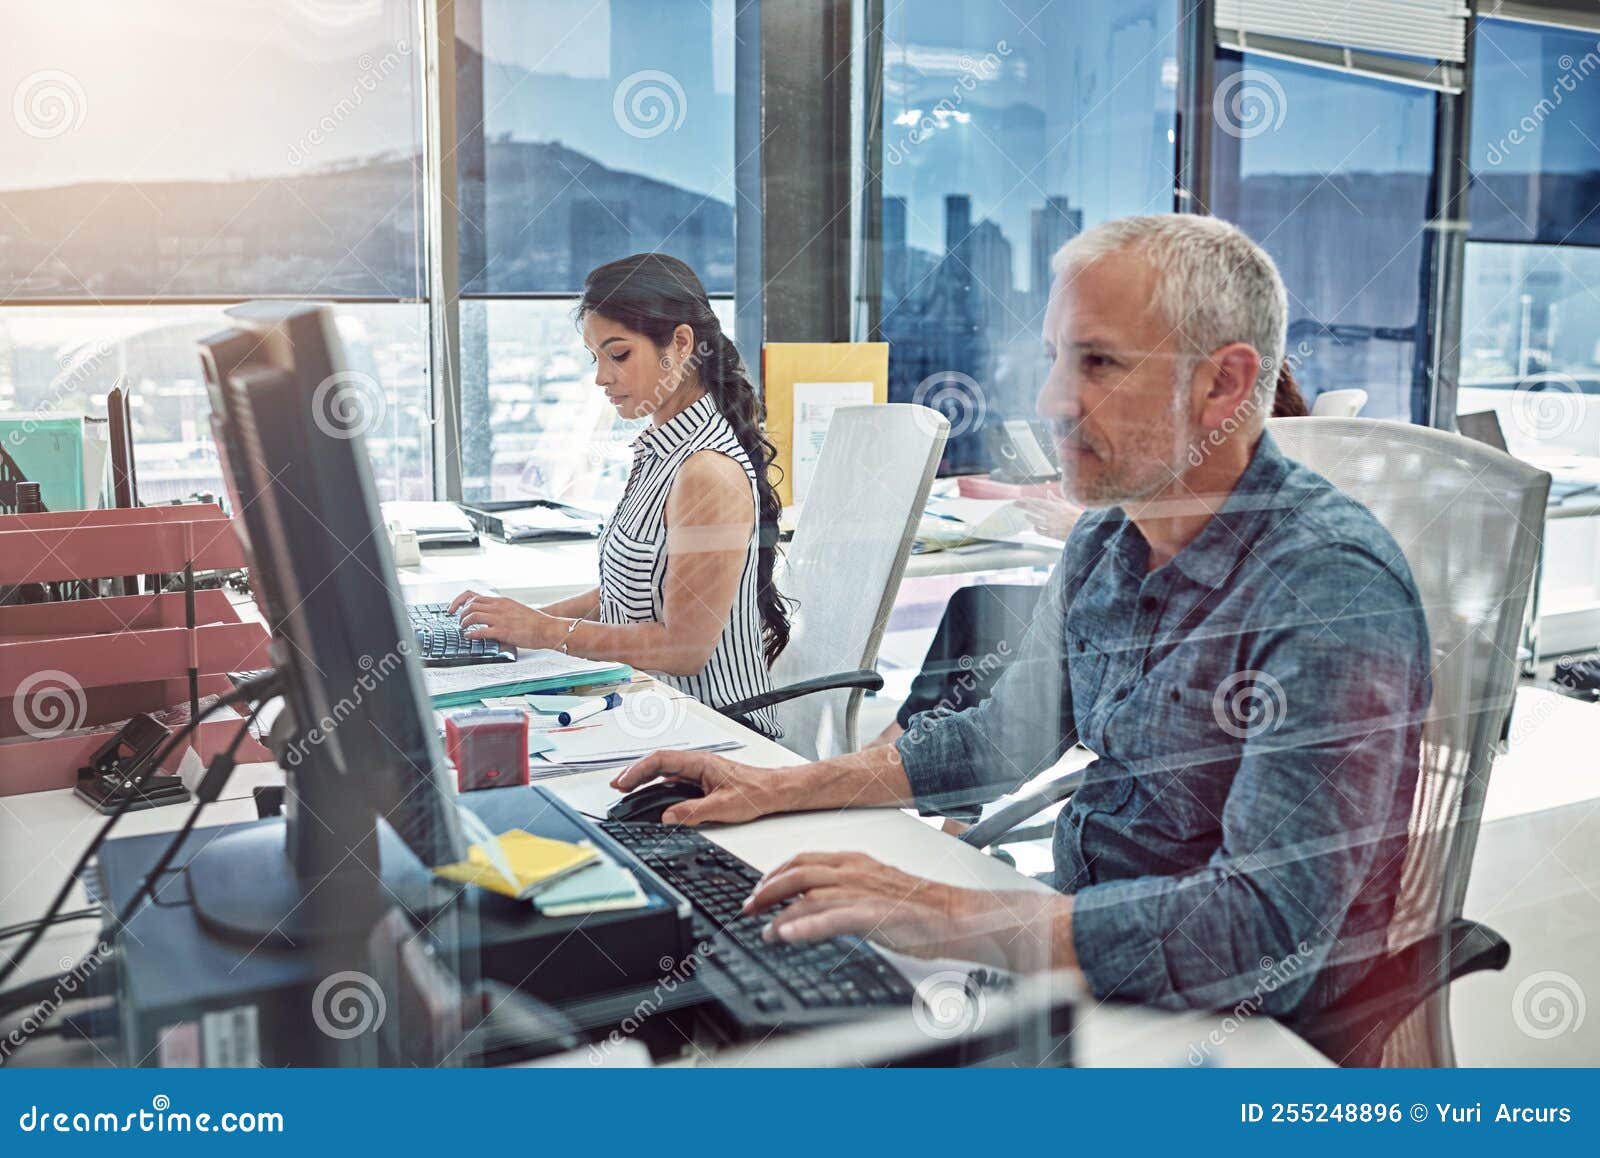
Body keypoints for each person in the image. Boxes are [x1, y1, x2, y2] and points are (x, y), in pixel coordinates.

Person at [613, 215, 1433, 1022]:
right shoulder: (1111, 536)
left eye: (1099, 362)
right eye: (1054, 358)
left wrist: (952, 917)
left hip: (1235, 1032)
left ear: (1221, 383)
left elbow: (1264, 937)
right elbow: (1005, 738)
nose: (1051, 401)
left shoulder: (1328, 588)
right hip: (1083, 954)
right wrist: (779, 786)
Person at [867, 362, 1314, 751]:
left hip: (1155, 622)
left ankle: (948, 807)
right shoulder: (1232, 441)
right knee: (977, 607)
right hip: (1128, 600)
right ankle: (906, 732)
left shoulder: (1246, 458)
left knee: (997, 634)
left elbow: (1200, 552)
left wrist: (1080, 528)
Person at [452, 254, 789, 734]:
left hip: (718, 732)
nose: (601, 377)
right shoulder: (659, 452)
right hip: (649, 713)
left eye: (619, 354)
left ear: (680, 344)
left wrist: (542, 632)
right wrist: (514, 625)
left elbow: (684, 648)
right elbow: (624, 595)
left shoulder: (707, 474)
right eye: (596, 358)